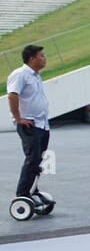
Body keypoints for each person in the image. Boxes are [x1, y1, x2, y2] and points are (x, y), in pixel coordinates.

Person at [7, 45, 52, 207]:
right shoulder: (20, 74)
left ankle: (33, 190)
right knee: (32, 159)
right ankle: (23, 194)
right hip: (30, 125)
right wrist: (19, 118)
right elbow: (12, 95)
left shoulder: (36, 75)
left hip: (42, 125)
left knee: (38, 160)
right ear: (32, 58)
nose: (44, 58)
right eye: (41, 55)